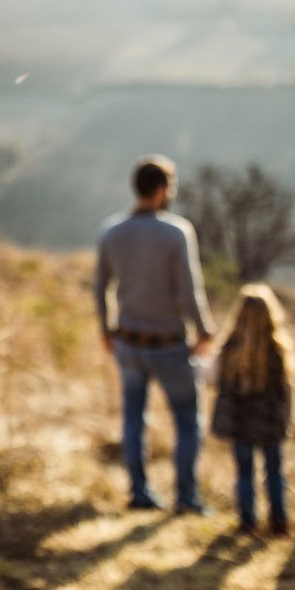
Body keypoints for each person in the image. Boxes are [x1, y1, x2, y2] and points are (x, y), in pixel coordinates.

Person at [94, 154, 216, 513]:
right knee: (188, 422)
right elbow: (189, 292)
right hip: (169, 345)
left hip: (128, 342)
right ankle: (187, 496)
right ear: (162, 189)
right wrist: (205, 330)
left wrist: (105, 329)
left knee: (133, 418)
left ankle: (139, 492)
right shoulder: (176, 232)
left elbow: (99, 286)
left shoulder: (112, 231)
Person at [209, 284, 295, 536]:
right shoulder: (278, 349)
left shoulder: (229, 348)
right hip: (270, 423)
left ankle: (247, 522)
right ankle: (279, 522)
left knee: (244, 473)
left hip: (240, 424)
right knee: (275, 473)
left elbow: (215, 381)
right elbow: (288, 390)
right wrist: (288, 419)